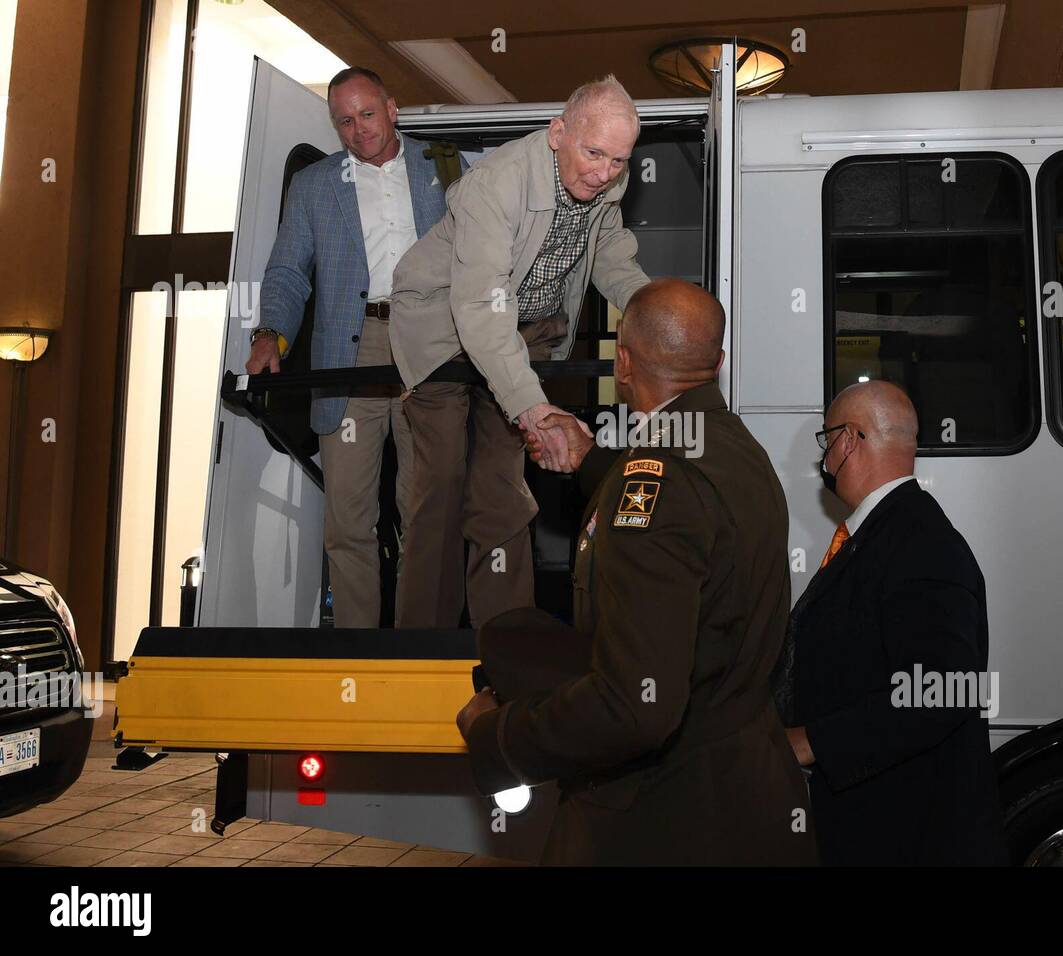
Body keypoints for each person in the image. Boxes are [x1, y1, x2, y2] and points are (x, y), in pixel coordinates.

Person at [455, 279, 816, 866]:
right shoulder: (739, 451)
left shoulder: (656, 480)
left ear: (623, 363)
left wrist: (497, 738)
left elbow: (635, 709)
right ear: (717, 362)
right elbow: (688, 520)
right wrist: (589, 460)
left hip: (662, 818)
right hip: (747, 794)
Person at [388, 76, 651, 629]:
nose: (604, 172)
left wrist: (662, 316)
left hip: (520, 334)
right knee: (440, 489)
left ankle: (507, 645)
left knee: (503, 496)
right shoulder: (495, 184)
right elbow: (481, 309)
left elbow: (612, 258)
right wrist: (535, 410)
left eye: (619, 160)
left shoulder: (606, 186)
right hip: (443, 331)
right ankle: (421, 649)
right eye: (594, 152)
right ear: (558, 133)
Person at [773, 381, 1008, 865]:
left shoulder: (920, 544)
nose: (825, 456)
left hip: (908, 835)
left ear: (848, 439)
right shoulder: (891, 533)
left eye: (825, 440)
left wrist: (809, 742)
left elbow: (940, 690)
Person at [245, 67, 448, 628]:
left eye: (368, 114)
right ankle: (356, 651)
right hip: (347, 352)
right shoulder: (313, 186)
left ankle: (417, 648)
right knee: (347, 520)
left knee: (424, 513)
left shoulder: (446, 169)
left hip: (428, 348)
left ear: (392, 108)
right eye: (344, 121)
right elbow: (288, 271)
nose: (359, 131)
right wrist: (269, 333)